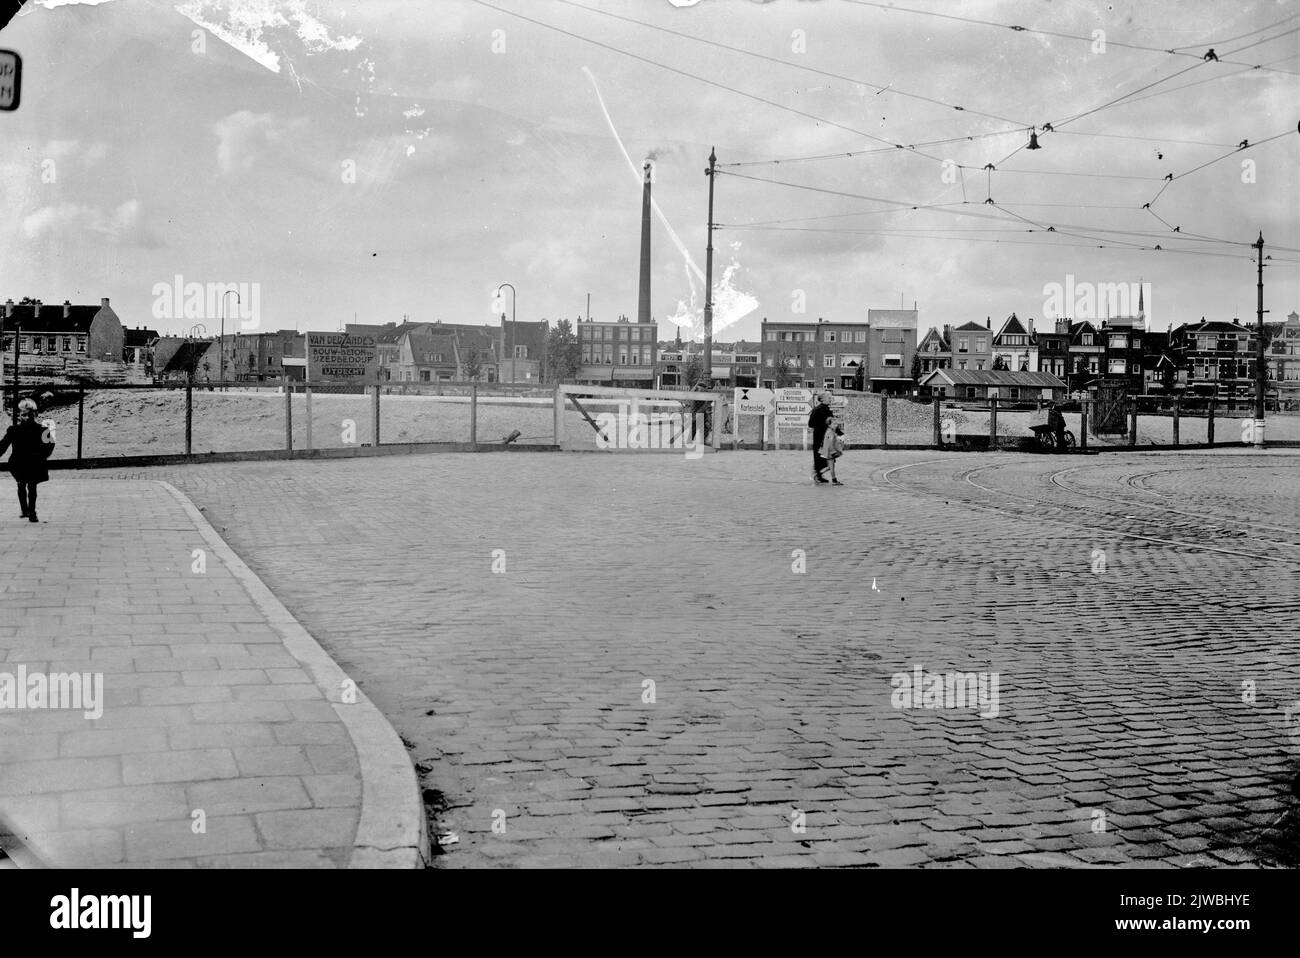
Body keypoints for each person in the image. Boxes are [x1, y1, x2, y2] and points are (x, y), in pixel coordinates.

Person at [0, 398, 56, 522]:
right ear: (19, 415)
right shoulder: (13, 430)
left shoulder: (42, 430)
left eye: (30, 415)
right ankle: (25, 510)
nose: (27, 418)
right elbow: (3, 445)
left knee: (31, 486)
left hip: (33, 462)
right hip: (18, 463)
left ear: (35, 414)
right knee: (21, 484)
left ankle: (32, 511)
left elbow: (50, 444)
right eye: (24, 415)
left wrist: (43, 455)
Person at [808, 392, 832, 483]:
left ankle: (818, 474)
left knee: (823, 456)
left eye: (830, 397)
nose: (830, 399)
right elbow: (811, 424)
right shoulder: (819, 410)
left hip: (824, 436)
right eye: (828, 397)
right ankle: (817, 474)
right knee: (822, 456)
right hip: (820, 437)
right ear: (822, 399)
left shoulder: (825, 409)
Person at [821, 414, 846, 485]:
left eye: (836, 424)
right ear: (829, 425)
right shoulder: (830, 432)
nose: (836, 425)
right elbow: (829, 444)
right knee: (831, 467)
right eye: (834, 424)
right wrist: (833, 452)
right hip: (829, 452)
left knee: (830, 467)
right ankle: (834, 480)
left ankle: (819, 474)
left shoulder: (830, 431)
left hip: (828, 452)